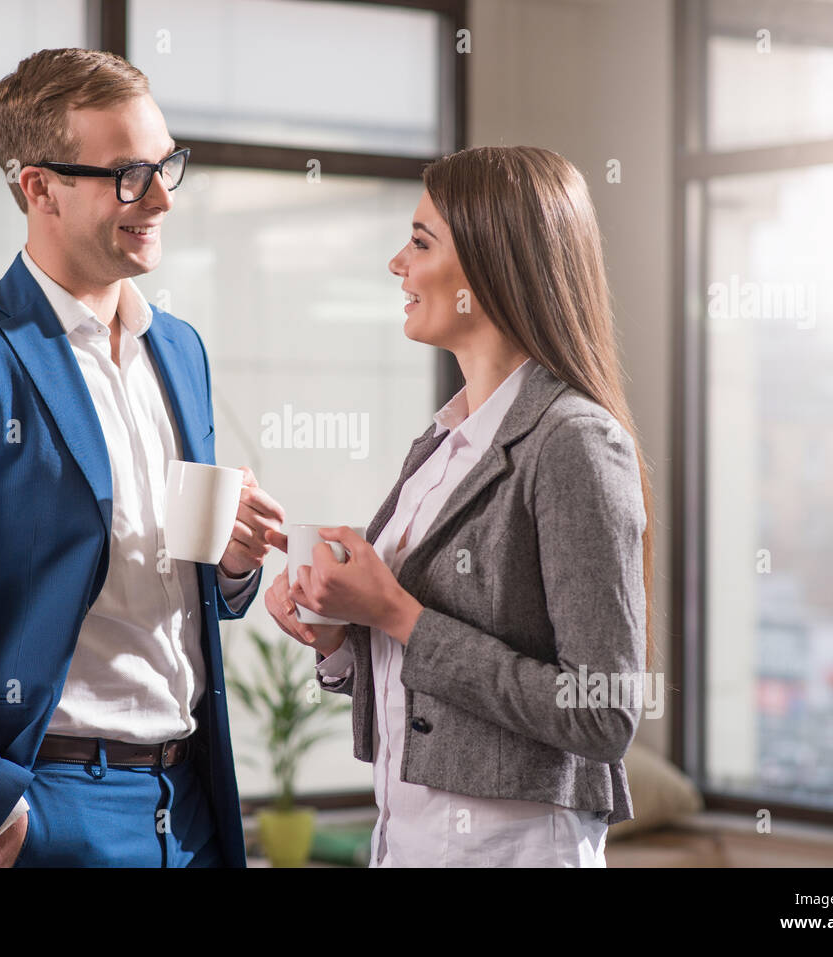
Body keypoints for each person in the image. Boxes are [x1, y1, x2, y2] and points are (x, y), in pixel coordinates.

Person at [0, 48, 283, 868]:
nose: (162, 197)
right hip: (45, 809)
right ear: (38, 187)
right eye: (129, 174)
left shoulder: (180, 351)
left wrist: (231, 567)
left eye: (167, 164)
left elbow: (165, 593)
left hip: (191, 810)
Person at [262, 146, 656, 867]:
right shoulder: (444, 443)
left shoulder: (573, 441)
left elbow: (604, 710)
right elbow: (423, 673)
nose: (396, 264)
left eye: (419, 242)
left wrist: (397, 614)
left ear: (491, 266)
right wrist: (340, 638)